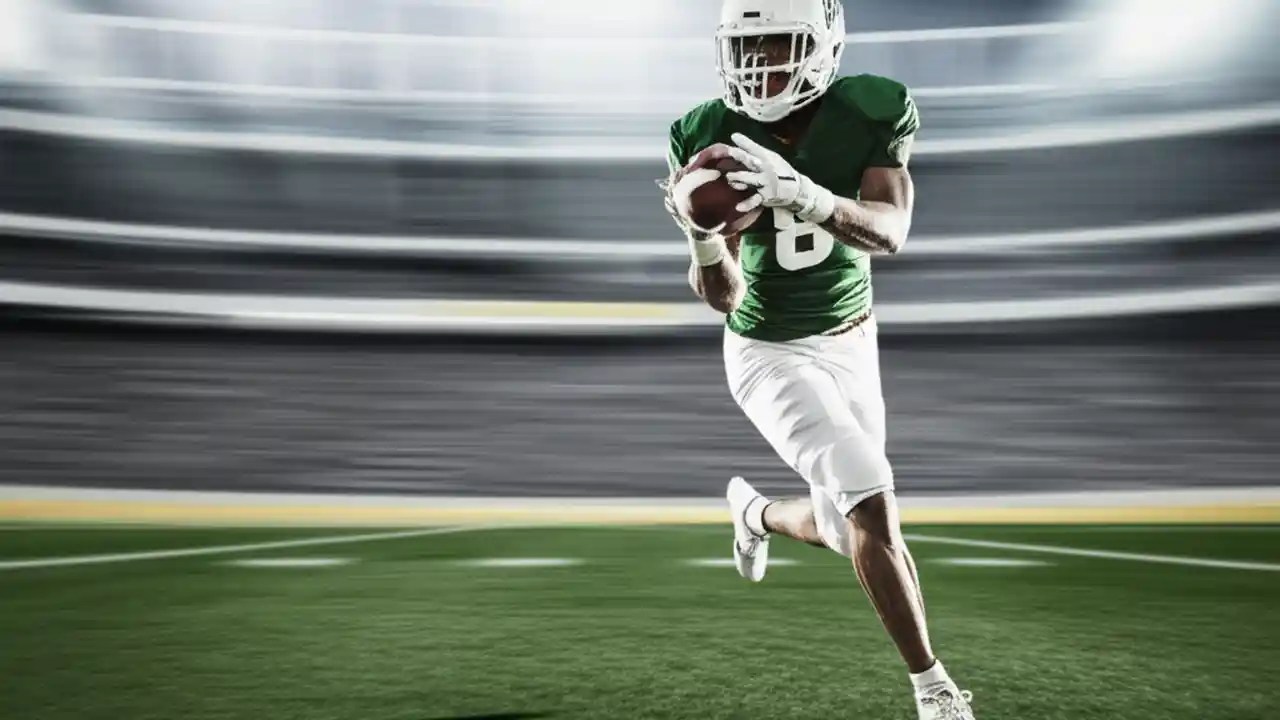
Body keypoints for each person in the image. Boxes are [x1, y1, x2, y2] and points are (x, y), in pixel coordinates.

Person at [659, 1, 975, 718]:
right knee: (871, 491)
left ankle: (756, 513)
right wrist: (703, 238)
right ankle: (935, 688)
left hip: (853, 339)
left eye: (774, 44)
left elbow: (890, 233)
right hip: (767, 349)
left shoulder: (872, 108)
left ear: (820, 44)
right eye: (744, 48)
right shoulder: (703, 133)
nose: (757, 64)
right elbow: (722, 295)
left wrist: (804, 195)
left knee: (843, 529)